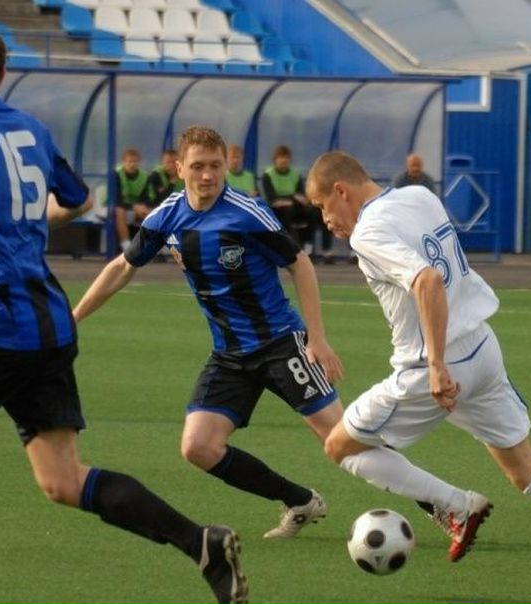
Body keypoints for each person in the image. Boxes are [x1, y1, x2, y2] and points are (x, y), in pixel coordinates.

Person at [0, 23, 246, 604]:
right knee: (62, 480)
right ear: (2, 73)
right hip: (51, 323)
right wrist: (22, 217)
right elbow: (79, 200)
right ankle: (201, 543)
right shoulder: (30, 128)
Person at [305, 150, 531, 599]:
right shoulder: (418, 195)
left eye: (322, 206)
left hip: (433, 367)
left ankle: (456, 506)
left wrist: (436, 365)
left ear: (341, 190)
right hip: (482, 348)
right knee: (526, 471)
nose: (325, 219)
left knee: (339, 445)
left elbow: (427, 280)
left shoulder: (368, 231)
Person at [74, 125, 345, 540]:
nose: (207, 175)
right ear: (178, 169)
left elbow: (300, 264)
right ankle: (300, 501)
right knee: (198, 447)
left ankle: (438, 502)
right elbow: (123, 267)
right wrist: (73, 318)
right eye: (198, 166)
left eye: (215, 166)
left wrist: (317, 337)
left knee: (342, 441)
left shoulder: (247, 212)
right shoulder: (167, 216)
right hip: (230, 355)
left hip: (280, 342)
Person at [262, 144, 333, 262]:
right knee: (286, 212)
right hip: (278, 210)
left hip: (295, 207)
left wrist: (291, 199)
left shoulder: (295, 175)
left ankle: (311, 250)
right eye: (280, 158)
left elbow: (302, 197)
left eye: (286, 158)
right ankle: (288, 249)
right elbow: (272, 199)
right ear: (275, 160)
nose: (283, 161)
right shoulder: (268, 175)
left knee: (313, 213)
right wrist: (291, 197)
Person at [113, 148, 151, 253]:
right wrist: (134, 207)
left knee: (151, 213)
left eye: (135, 161)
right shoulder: (116, 174)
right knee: (120, 211)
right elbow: (116, 199)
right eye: (129, 161)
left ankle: (153, 247)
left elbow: (146, 198)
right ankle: (126, 246)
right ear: (123, 162)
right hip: (109, 206)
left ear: (139, 163)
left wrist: (143, 207)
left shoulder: (144, 176)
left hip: (130, 208)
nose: (132, 164)